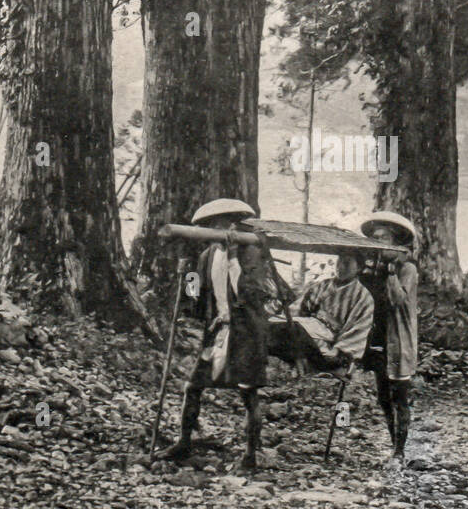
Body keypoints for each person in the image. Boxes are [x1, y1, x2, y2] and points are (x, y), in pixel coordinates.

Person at [159, 198, 273, 471]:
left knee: (248, 392)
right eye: (214, 224)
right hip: (218, 331)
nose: (220, 228)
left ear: (235, 223)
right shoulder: (207, 256)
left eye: (225, 223)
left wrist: (234, 258)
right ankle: (183, 442)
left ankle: (250, 454)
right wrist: (185, 282)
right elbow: (197, 295)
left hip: (246, 331)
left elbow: (253, 295)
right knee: (193, 386)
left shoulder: (251, 251)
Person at [358, 212, 419, 464]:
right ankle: (393, 441)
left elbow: (398, 301)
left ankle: (400, 449)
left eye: (383, 238)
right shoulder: (373, 271)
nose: (378, 242)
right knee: (383, 396)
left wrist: (392, 272)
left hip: (399, 339)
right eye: (375, 238)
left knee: (399, 395)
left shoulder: (407, 269)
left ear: (394, 242)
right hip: (377, 337)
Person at [267, 251, 374, 377]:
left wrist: (339, 351)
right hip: (311, 325)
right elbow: (300, 308)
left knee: (295, 328)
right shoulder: (324, 285)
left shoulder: (363, 297)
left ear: (359, 268)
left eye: (346, 263)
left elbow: (358, 328)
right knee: (276, 324)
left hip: (329, 335)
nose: (340, 267)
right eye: (339, 262)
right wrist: (285, 314)